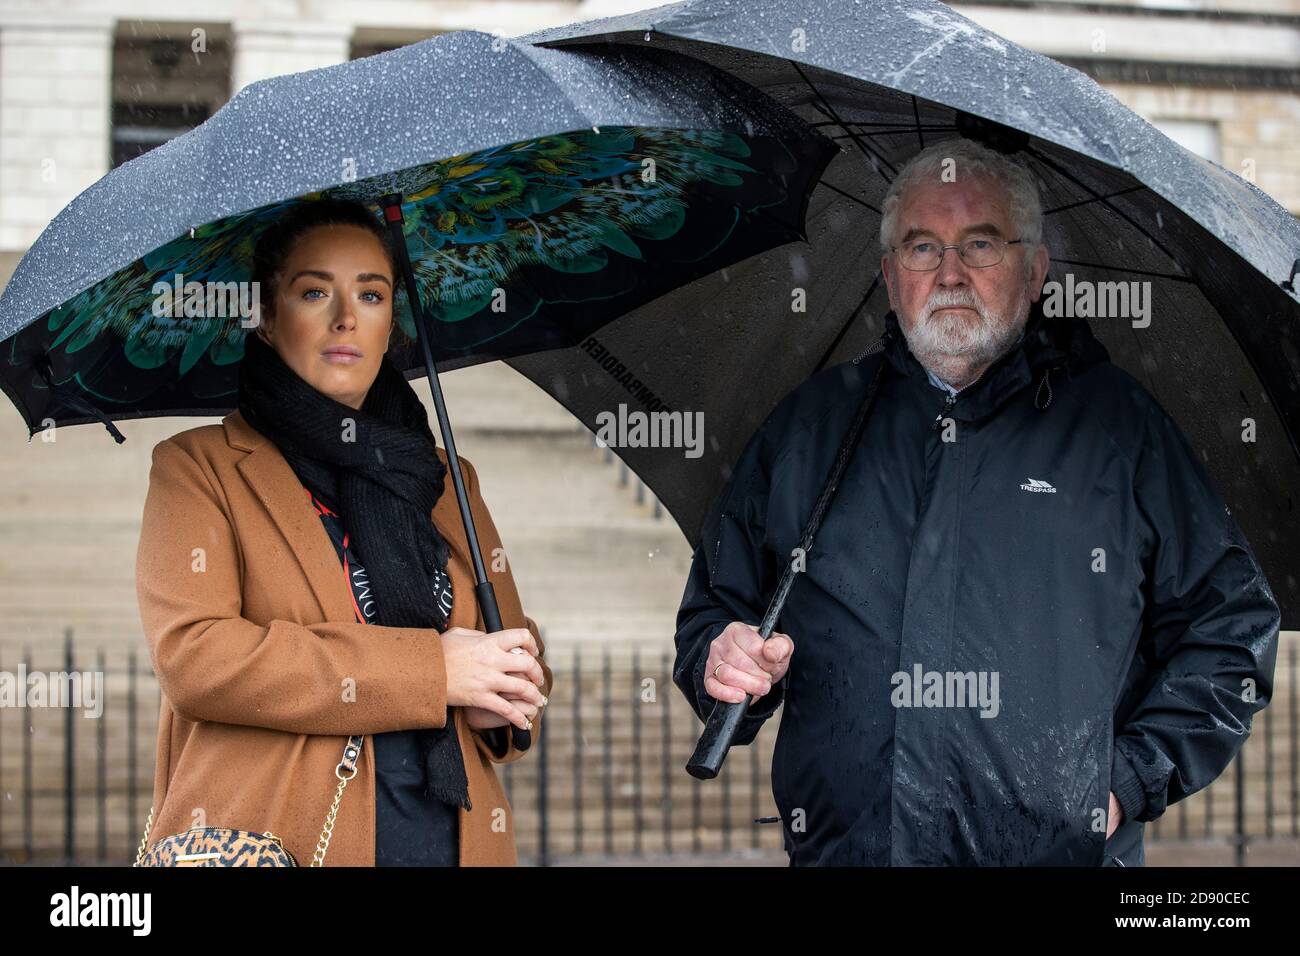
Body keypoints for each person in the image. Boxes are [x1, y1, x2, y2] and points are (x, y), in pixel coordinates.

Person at [673, 137, 1280, 866]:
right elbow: (715, 609)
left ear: (1035, 271)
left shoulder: (1120, 430)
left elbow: (1231, 629)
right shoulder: (811, 427)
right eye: (923, 247)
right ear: (890, 276)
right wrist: (722, 657)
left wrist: (1122, 782)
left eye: (982, 244)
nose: (951, 273)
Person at [136, 198, 552, 866]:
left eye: (371, 293)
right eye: (312, 291)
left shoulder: (446, 477)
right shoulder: (200, 469)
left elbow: (512, 645)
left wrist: (503, 695)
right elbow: (198, 659)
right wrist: (431, 671)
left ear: (392, 320)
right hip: (284, 840)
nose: (345, 317)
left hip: (451, 839)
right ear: (268, 319)